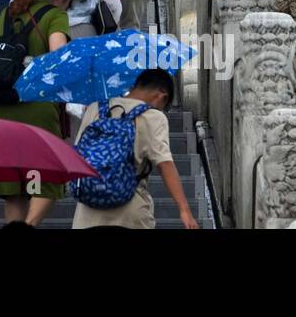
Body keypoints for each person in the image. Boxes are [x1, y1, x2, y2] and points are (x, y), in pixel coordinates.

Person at [0, 0, 74, 226]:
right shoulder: (55, 15)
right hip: (36, 108)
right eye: (69, 2)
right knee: (48, 180)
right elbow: (58, 55)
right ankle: (28, 227)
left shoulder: (8, 12)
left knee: (15, 188)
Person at [73, 69, 200, 229]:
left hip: (87, 215)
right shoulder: (154, 117)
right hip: (131, 214)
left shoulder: (95, 107)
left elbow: (76, 156)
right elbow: (165, 164)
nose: (161, 109)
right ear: (162, 94)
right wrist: (184, 210)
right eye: (164, 106)